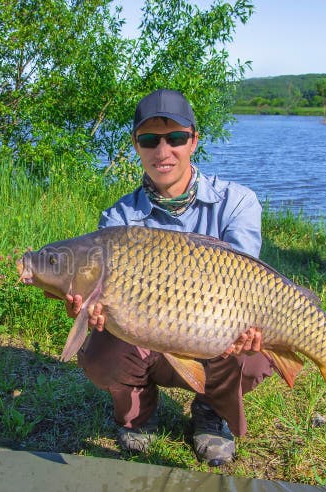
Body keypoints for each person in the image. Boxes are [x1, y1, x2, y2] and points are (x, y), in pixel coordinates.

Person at [64, 89, 274, 466]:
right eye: (150, 140)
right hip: (148, 339)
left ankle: (211, 413)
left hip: (214, 332)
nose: (163, 151)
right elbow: (100, 307)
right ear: (136, 145)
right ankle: (138, 415)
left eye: (175, 138)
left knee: (257, 353)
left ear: (193, 140)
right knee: (99, 349)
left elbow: (247, 282)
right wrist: (91, 313)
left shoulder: (238, 201)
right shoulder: (118, 219)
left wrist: (247, 328)